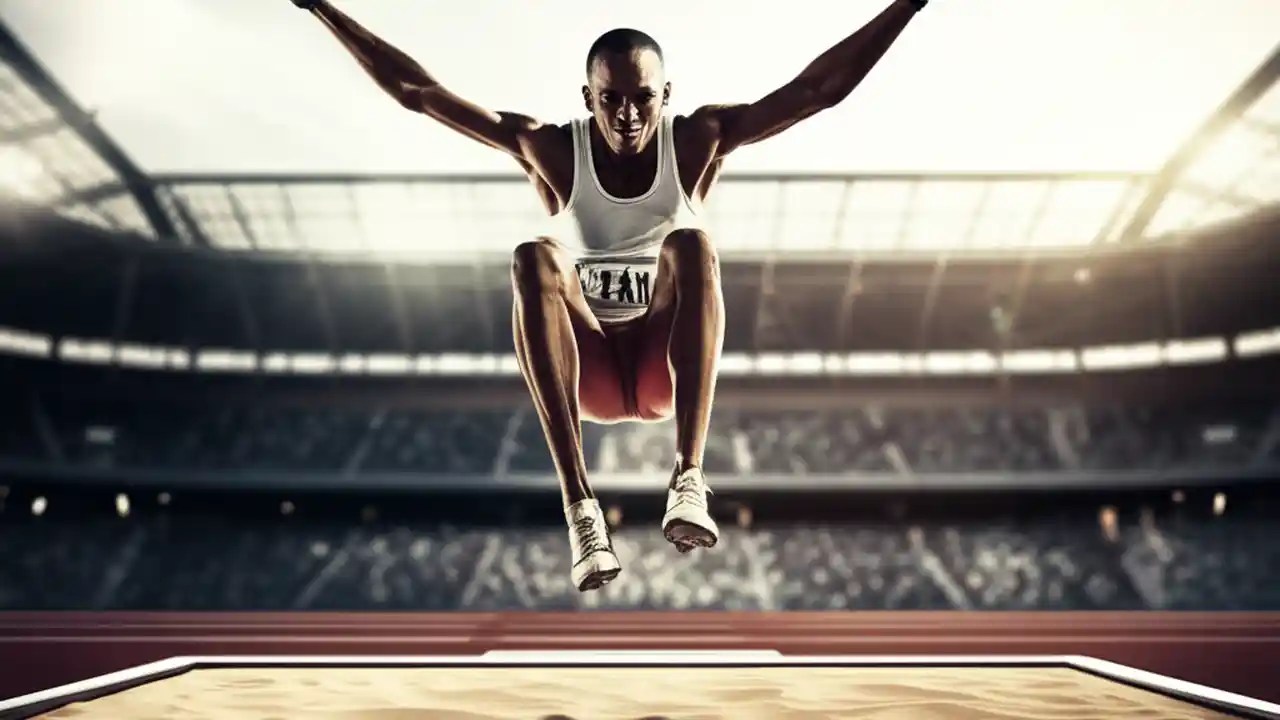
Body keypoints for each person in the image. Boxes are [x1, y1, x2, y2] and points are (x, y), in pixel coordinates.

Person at [289, 0, 928, 592]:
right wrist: (320, 8)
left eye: (642, 99)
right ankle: (581, 510)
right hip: (588, 371)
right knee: (533, 256)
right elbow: (418, 94)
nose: (626, 117)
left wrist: (909, 5)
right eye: (611, 99)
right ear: (588, 97)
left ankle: (689, 476)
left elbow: (817, 91)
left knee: (691, 243)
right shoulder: (550, 149)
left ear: (666, 96)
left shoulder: (696, 141)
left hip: (660, 371)